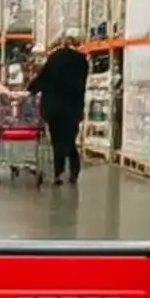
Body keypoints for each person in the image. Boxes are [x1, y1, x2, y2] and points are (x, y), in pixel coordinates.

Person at [28, 30, 89, 184]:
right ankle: (74, 171)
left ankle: (58, 172)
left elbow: (44, 78)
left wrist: (30, 89)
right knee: (70, 139)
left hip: (54, 107)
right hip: (73, 108)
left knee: (56, 140)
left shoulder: (54, 58)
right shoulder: (82, 61)